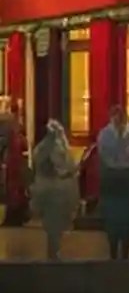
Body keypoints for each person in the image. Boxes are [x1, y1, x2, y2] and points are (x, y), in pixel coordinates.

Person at [97, 106, 129, 260]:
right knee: (113, 218)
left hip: (128, 184)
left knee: (127, 219)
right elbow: (103, 155)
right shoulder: (105, 135)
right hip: (113, 184)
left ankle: (124, 248)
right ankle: (114, 249)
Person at [30, 120, 79, 260]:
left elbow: (36, 166)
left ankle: (53, 249)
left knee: (51, 222)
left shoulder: (40, 148)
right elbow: (65, 167)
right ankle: (54, 250)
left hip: (44, 188)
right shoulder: (58, 149)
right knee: (55, 222)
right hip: (57, 190)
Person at [1, 111, 30, 227]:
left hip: (13, 169)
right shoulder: (19, 137)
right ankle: (18, 216)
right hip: (17, 168)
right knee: (16, 192)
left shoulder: (13, 138)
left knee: (13, 193)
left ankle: (14, 217)